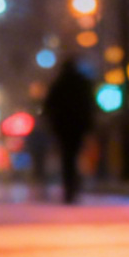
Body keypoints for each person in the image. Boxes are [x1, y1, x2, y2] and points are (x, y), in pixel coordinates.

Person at [41, 57, 98, 202]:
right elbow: (90, 106)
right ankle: (75, 185)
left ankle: (70, 187)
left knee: (68, 158)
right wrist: (90, 125)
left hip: (63, 127)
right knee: (76, 155)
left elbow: (48, 106)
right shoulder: (83, 84)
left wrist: (51, 124)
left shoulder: (59, 84)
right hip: (78, 126)